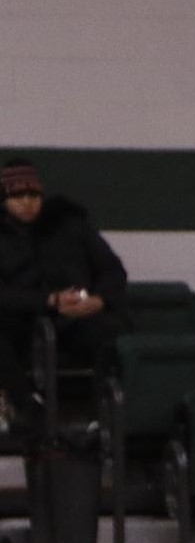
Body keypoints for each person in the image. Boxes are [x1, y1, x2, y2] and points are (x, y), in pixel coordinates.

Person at [0, 159, 128, 432]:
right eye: (17, 196)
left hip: (77, 319)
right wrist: (50, 301)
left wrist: (99, 300)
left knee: (112, 334)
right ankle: (26, 406)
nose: (27, 202)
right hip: (21, 322)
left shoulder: (71, 225)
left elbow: (113, 270)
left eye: (33, 195)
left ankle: (103, 420)